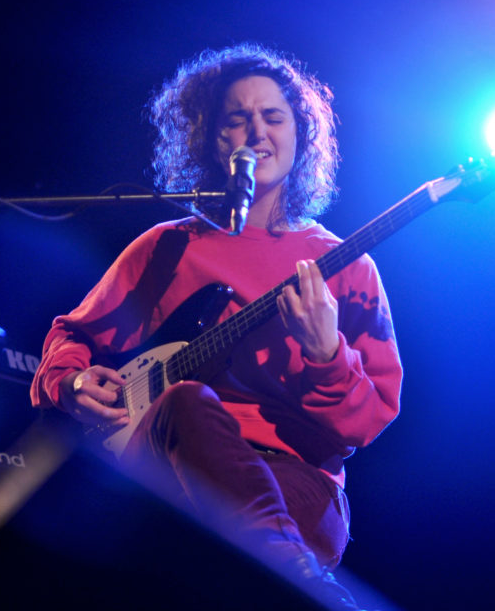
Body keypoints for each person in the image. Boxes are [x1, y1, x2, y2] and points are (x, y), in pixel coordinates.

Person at [30, 43, 402, 609]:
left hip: (296, 488)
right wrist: (72, 381)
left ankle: (291, 578)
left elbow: (370, 419)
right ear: (211, 139)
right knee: (183, 401)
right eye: (237, 119)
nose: (257, 131)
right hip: (165, 469)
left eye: (273, 117)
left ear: (301, 134)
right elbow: (72, 335)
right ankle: (305, 592)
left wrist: (328, 353)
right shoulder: (167, 247)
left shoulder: (347, 265)